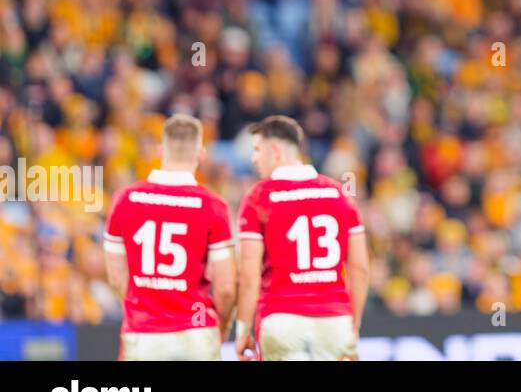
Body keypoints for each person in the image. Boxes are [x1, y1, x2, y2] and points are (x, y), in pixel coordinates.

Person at [235, 115, 369, 360]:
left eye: (257, 149)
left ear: (275, 151)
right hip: (334, 319)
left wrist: (242, 328)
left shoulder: (258, 197)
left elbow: (248, 275)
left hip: (281, 319)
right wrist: (353, 322)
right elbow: (359, 268)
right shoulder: (340, 194)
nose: (254, 158)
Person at [103, 114, 235, 360]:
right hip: (195, 328)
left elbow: (117, 275)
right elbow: (226, 288)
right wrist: (222, 325)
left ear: (161, 150)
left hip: (143, 331)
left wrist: (146, 303)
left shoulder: (125, 199)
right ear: (201, 153)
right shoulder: (213, 205)